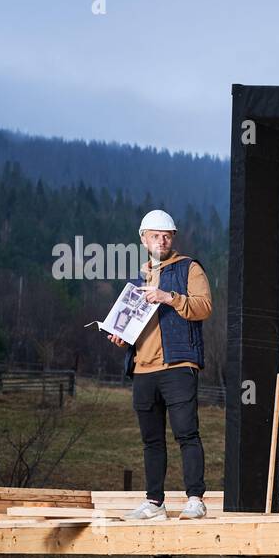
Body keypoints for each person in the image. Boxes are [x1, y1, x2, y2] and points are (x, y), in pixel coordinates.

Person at [107, 209, 212, 521]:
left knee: (186, 433)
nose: (162, 240)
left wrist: (169, 297)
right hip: (143, 370)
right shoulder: (137, 280)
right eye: (155, 235)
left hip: (179, 365)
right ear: (143, 239)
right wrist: (121, 338)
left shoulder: (188, 268)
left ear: (173, 238)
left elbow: (204, 307)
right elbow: (131, 325)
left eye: (167, 235)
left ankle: (195, 500)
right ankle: (154, 503)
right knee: (151, 441)